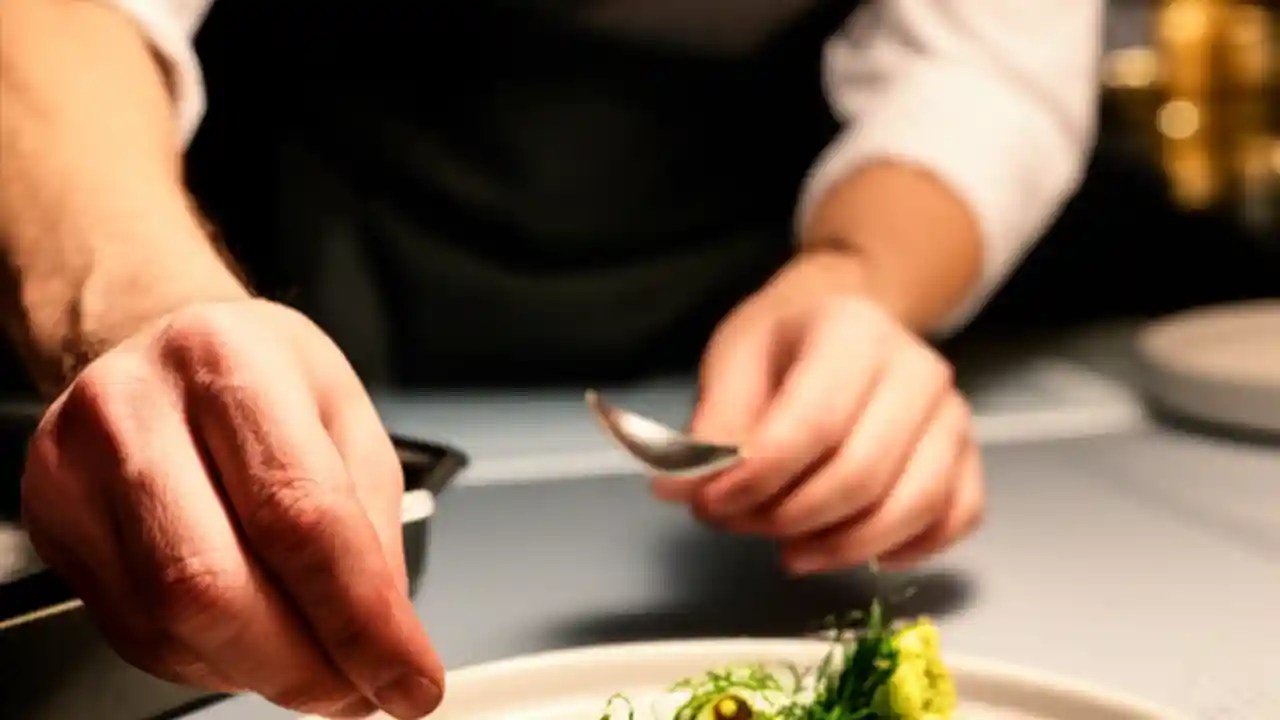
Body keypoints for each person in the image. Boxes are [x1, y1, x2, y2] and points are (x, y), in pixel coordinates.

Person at [0, 1, 1101, 717]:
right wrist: (142, 314)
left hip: (737, 207)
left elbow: (983, 69)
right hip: (297, 223)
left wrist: (858, 281)